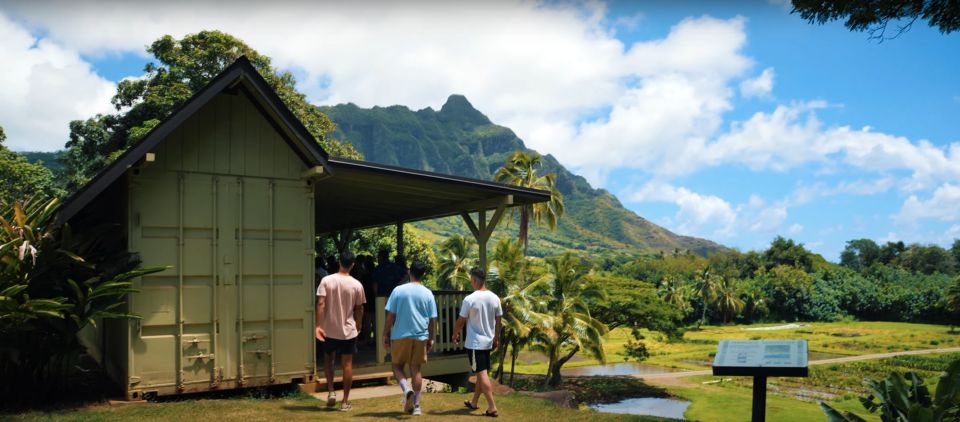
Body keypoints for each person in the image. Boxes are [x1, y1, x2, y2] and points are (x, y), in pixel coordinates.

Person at [383, 261, 437, 416]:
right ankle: (417, 406)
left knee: (397, 366)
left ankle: (407, 390)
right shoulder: (428, 293)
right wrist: (431, 338)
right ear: (424, 274)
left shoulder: (398, 291)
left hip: (400, 334)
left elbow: (390, 316)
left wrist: (385, 333)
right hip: (421, 335)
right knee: (416, 368)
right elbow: (432, 320)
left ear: (409, 272)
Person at [315, 251, 366, 412]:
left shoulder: (326, 280)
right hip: (348, 330)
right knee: (347, 364)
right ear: (352, 265)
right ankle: (345, 401)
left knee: (328, 360)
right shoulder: (357, 284)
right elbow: (359, 308)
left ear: (339, 262)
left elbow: (321, 303)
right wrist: (359, 325)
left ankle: (331, 391)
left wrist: (318, 325)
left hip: (329, 329)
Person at [452, 267, 502, 418]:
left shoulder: (470, 299)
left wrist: (455, 334)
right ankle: (474, 402)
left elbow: (461, 320)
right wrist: (496, 338)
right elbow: (498, 321)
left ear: (474, 280)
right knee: (482, 373)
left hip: (475, 344)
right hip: (487, 342)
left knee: (481, 374)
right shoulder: (495, 298)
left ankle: (492, 407)